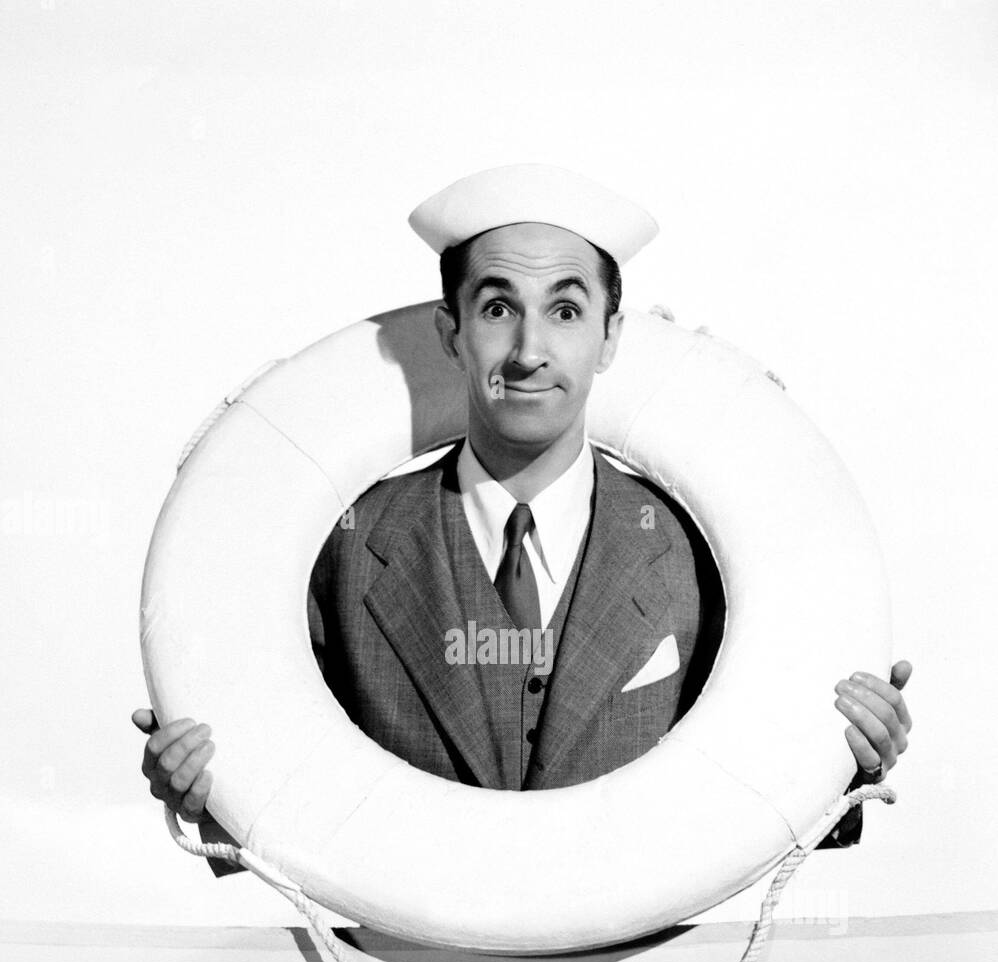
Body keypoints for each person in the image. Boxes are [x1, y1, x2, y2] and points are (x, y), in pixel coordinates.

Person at [133, 164, 913, 904]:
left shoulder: (690, 555)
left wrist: (844, 763)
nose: (530, 351)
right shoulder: (341, 547)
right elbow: (296, 787)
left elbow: (742, 783)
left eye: (566, 311)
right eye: (498, 308)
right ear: (451, 332)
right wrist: (209, 794)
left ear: (610, 337)